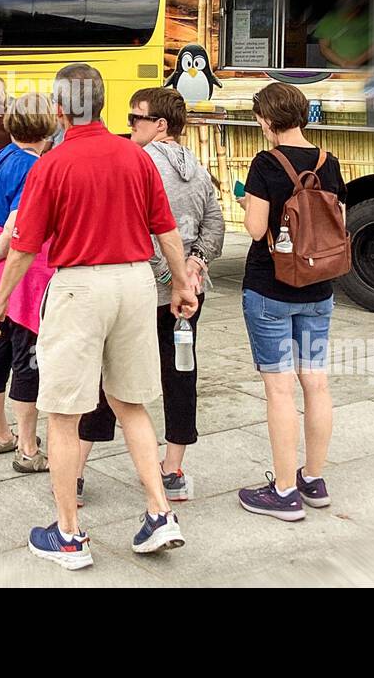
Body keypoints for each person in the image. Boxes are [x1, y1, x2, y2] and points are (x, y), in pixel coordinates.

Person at [0, 63, 198, 570]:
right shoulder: (136, 156)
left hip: (80, 287)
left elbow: (24, 246)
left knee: (62, 413)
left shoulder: (51, 166)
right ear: (104, 104)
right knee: (131, 404)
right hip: (135, 284)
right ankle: (159, 512)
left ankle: (69, 534)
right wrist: (183, 285)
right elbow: (166, 230)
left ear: (59, 110)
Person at [77, 86, 224, 505]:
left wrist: (170, 275)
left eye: (135, 119)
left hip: (145, 288)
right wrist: (195, 266)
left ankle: (77, 471)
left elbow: (139, 226)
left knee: (109, 374)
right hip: (190, 294)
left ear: (160, 124)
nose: (129, 126)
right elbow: (214, 222)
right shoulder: (197, 166)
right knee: (181, 374)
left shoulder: (138, 163)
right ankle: (173, 469)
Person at [237, 81, 347, 521]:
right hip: (319, 288)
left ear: (267, 120)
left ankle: (283, 492)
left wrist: (246, 201)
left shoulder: (266, 162)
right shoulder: (329, 161)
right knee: (315, 381)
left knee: (279, 388)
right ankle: (313, 479)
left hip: (271, 289)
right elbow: (338, 219)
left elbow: (254, 228)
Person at [0, 92, 58, 474]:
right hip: (21, 271)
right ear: (48, 126)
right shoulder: (35, 168)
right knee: (27, 357)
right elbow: (18, 227)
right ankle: (28, 446)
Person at [313, 0, 373, 68]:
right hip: (336, 72)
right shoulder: (329, 20)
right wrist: (344, 63)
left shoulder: (369, 20)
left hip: (365, 71)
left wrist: (356, 63)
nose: (350, 1)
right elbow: (324, 48)